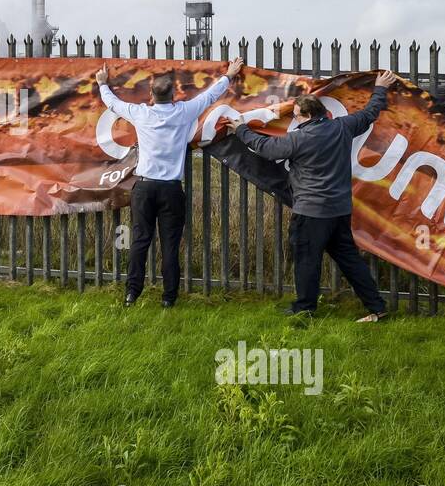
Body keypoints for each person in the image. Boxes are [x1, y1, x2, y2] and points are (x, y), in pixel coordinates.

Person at [229, 72, 398, 322]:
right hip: (339, 210)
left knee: (307, 260)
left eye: (296, 115)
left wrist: (241, 129)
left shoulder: (298, 139)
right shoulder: (342, 127)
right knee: (350, 260)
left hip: (311, 212)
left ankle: (305, 308)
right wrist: (380, 88)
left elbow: (264, 148)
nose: (294, 119)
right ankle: (377, 307)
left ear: (307, 116)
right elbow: (370, 113)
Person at [96, 57, 245, 308]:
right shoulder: (184, 111)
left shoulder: (141, 113)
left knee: (140, 241)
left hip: (144, 187)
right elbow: (210, 96)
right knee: (170, 244)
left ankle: (132, 293)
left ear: (151, 96)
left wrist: (102, 84)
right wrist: (229, 75)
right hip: (171, 189)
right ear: (174, 95)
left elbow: (113, 103)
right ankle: (169, 297)